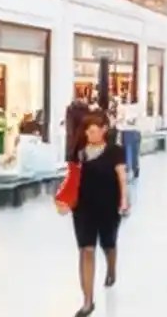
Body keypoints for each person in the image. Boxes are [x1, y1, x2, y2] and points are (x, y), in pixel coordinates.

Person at [67, 113, 130, 315]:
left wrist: (124, 200)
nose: (89, 133)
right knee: (87, 250)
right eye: (87, 130)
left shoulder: (115, 152)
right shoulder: (79, 152)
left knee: (108, 243)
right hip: (83, 207)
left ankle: (111, 267)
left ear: (104, 129)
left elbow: (122, 176)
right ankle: (88, 301)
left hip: (108, 205)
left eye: (93, 129)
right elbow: (71, 178)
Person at [117, 98, 141, 180]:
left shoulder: (123, 108)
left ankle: (129, 170)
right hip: (136, 131)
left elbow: (120, 120)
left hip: (127, 131)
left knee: (127, 151)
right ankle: (135, 169)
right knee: (135, 152)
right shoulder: (138, 109)